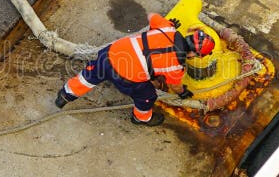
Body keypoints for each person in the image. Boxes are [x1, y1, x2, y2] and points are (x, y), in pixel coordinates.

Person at [55, 12, 215, 126]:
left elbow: (152, 16)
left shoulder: (167, 28)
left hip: (111, 54)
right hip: (125, 76)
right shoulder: (176, 66)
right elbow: (175, 85)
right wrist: (182, 93)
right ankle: (141, 118)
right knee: (147, 96)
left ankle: (66, 94)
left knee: (88, 77)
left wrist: (167, 26)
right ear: (194, 53)